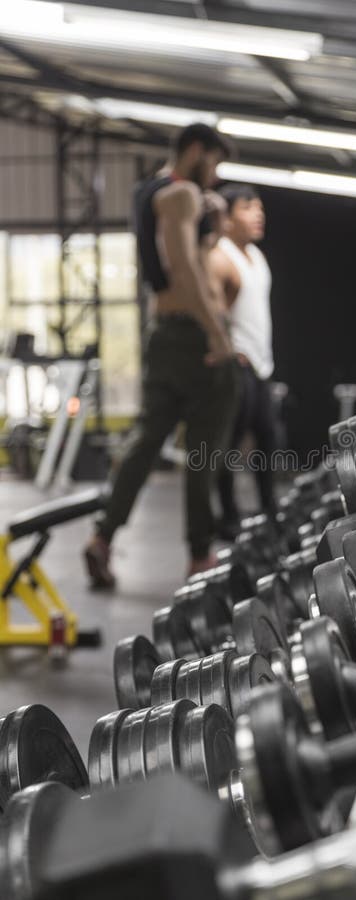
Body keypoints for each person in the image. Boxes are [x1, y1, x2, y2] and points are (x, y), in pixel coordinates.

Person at [84, 123, 238, 588]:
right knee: (203, 451)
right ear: (196, 151)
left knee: (147, 440)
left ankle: (103, 537)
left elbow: (180, 249)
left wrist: (211, 221)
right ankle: (199, 557)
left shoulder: (151, 191)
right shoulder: (183, 194)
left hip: (162, 335)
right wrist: (216, 334)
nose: (214, 176)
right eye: (213, 162)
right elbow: (183, 266)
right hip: (193, 337)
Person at [210, 184, 278, 537]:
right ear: (227, 216)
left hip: (261, 363)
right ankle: (229, 516)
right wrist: (227, 350)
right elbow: (212, 311)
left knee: (268, 438)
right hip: (237, 363)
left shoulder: (257, 257)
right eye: (248, 208)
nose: (258, 215)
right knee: (229, 444)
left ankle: (270, 510)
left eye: (260, 209)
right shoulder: (220, 256)